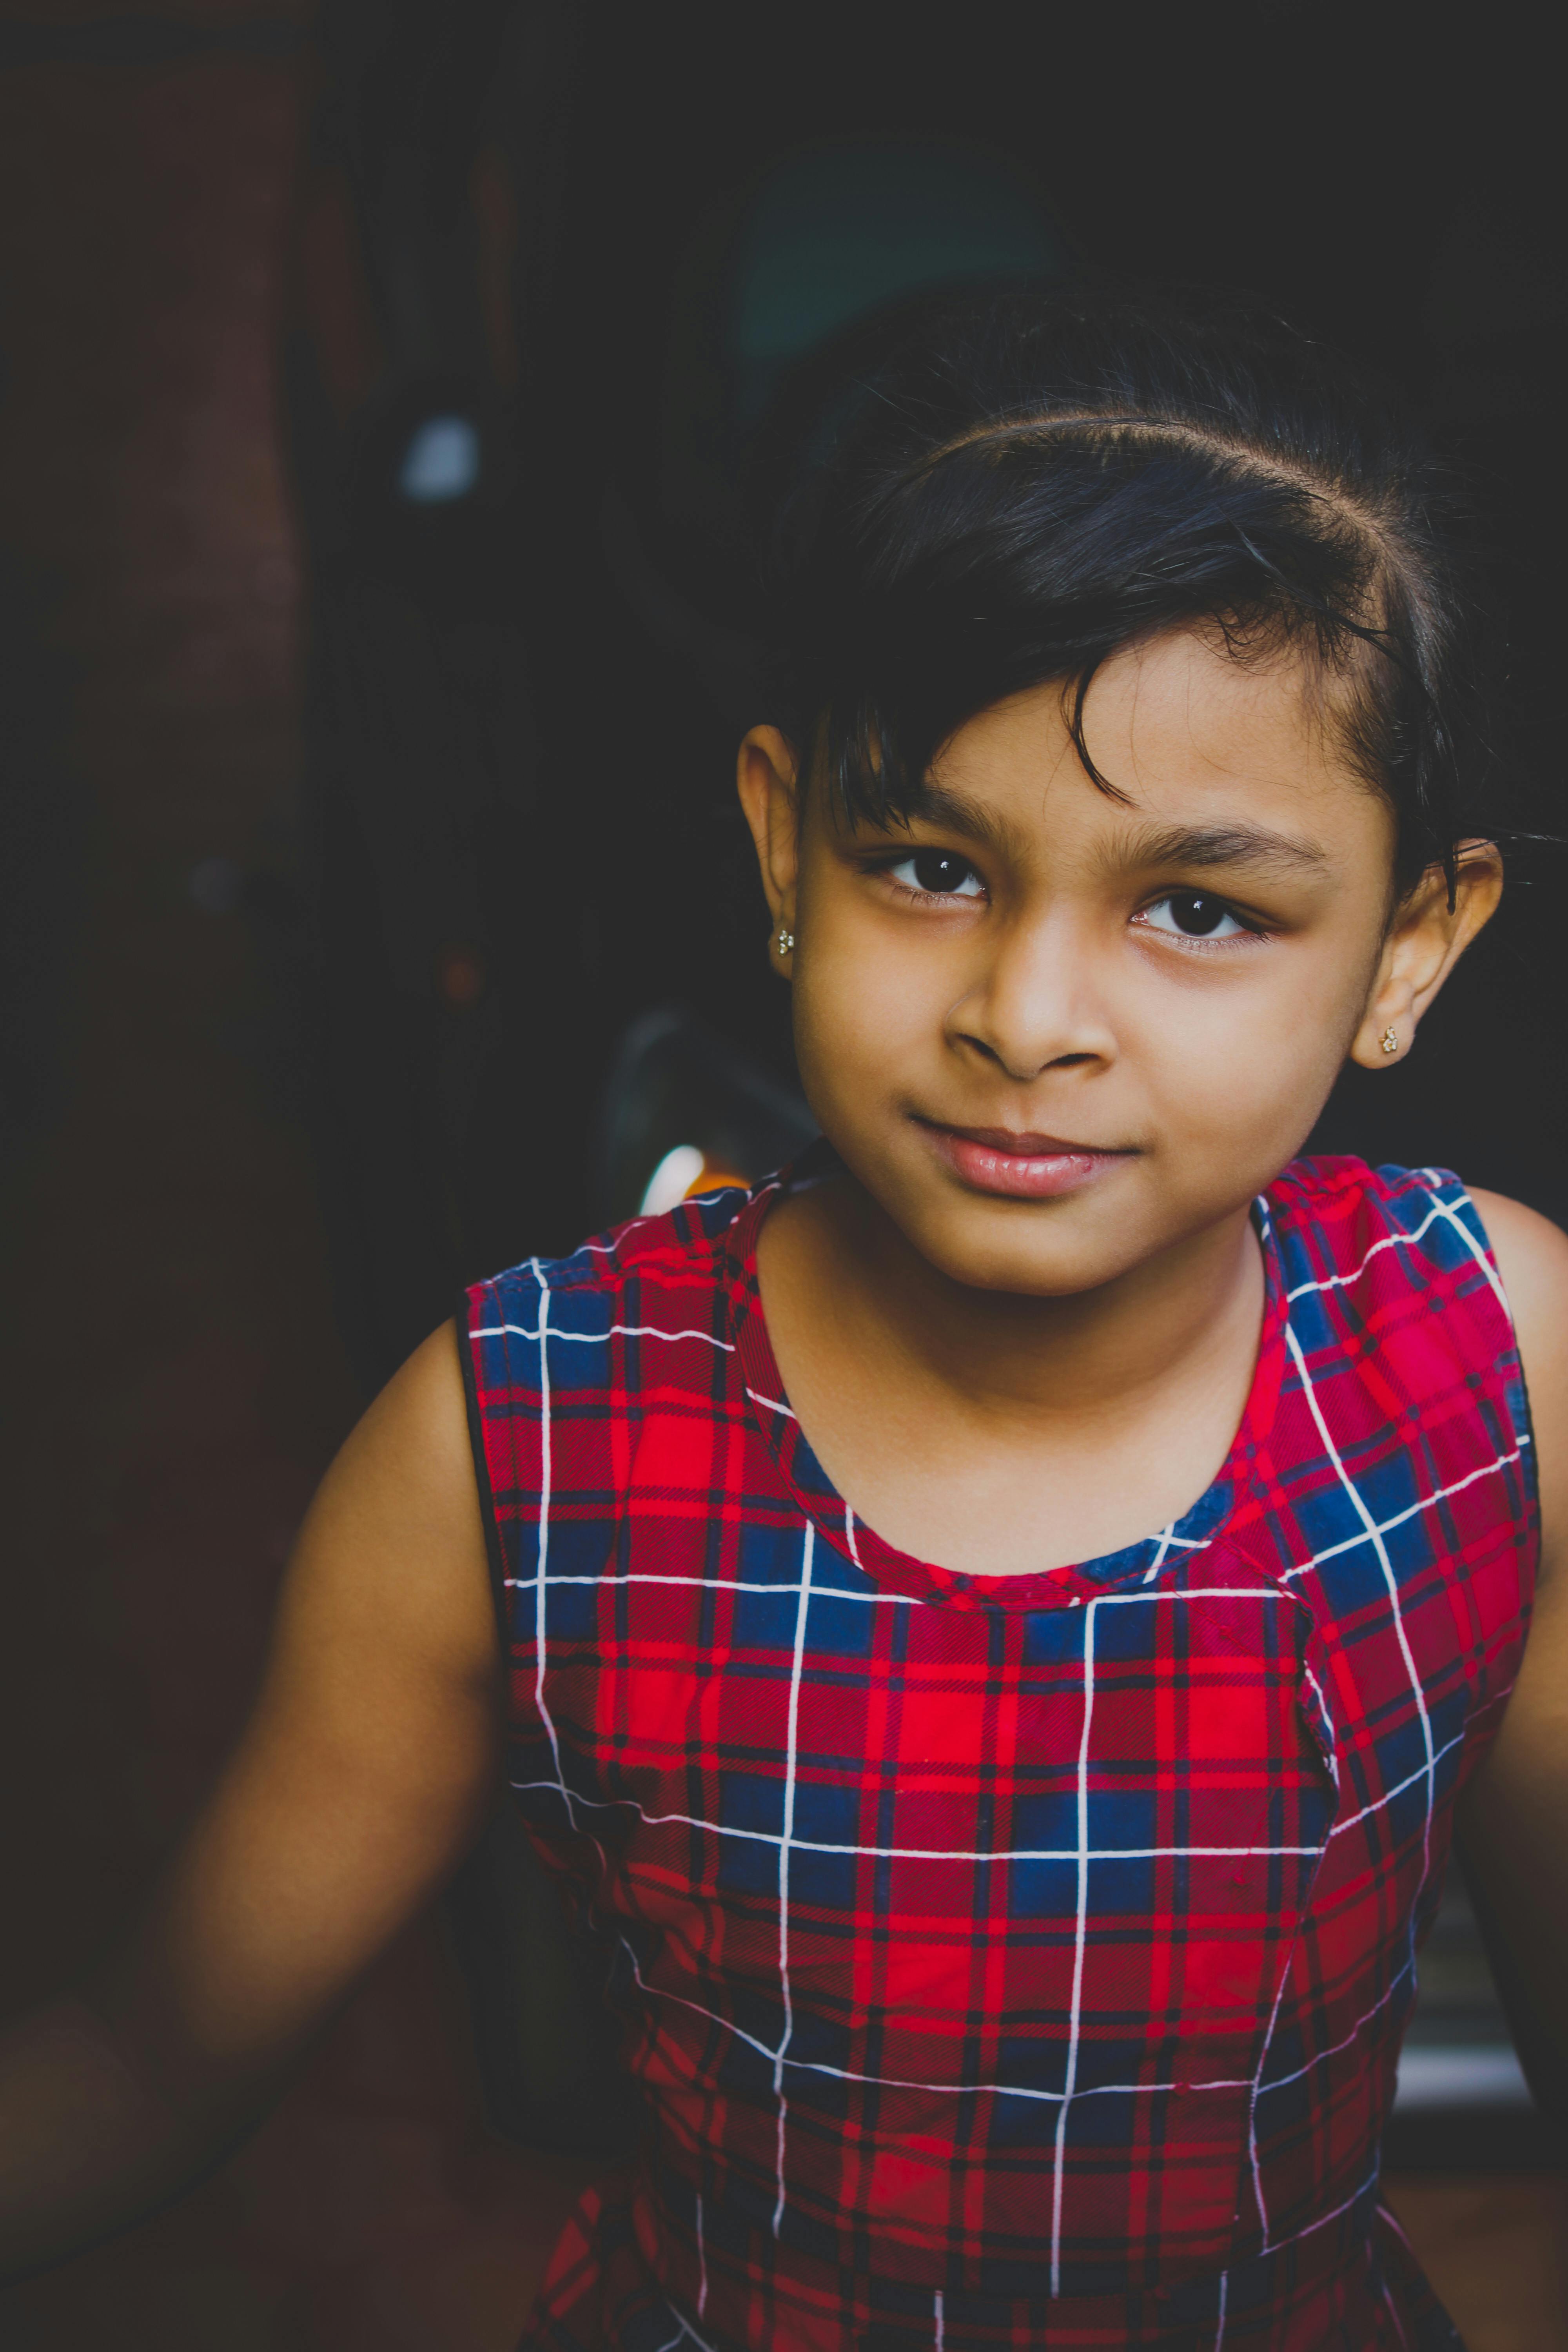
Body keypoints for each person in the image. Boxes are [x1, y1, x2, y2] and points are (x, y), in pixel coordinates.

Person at [3, 282, 1566, 2351]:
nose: (1028, 1019)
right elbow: (152, 2051)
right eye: (931, 864)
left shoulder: (1488, 1359)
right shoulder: (527, 1438)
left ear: (1409, 947)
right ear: (783, 846)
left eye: (1199, 910)